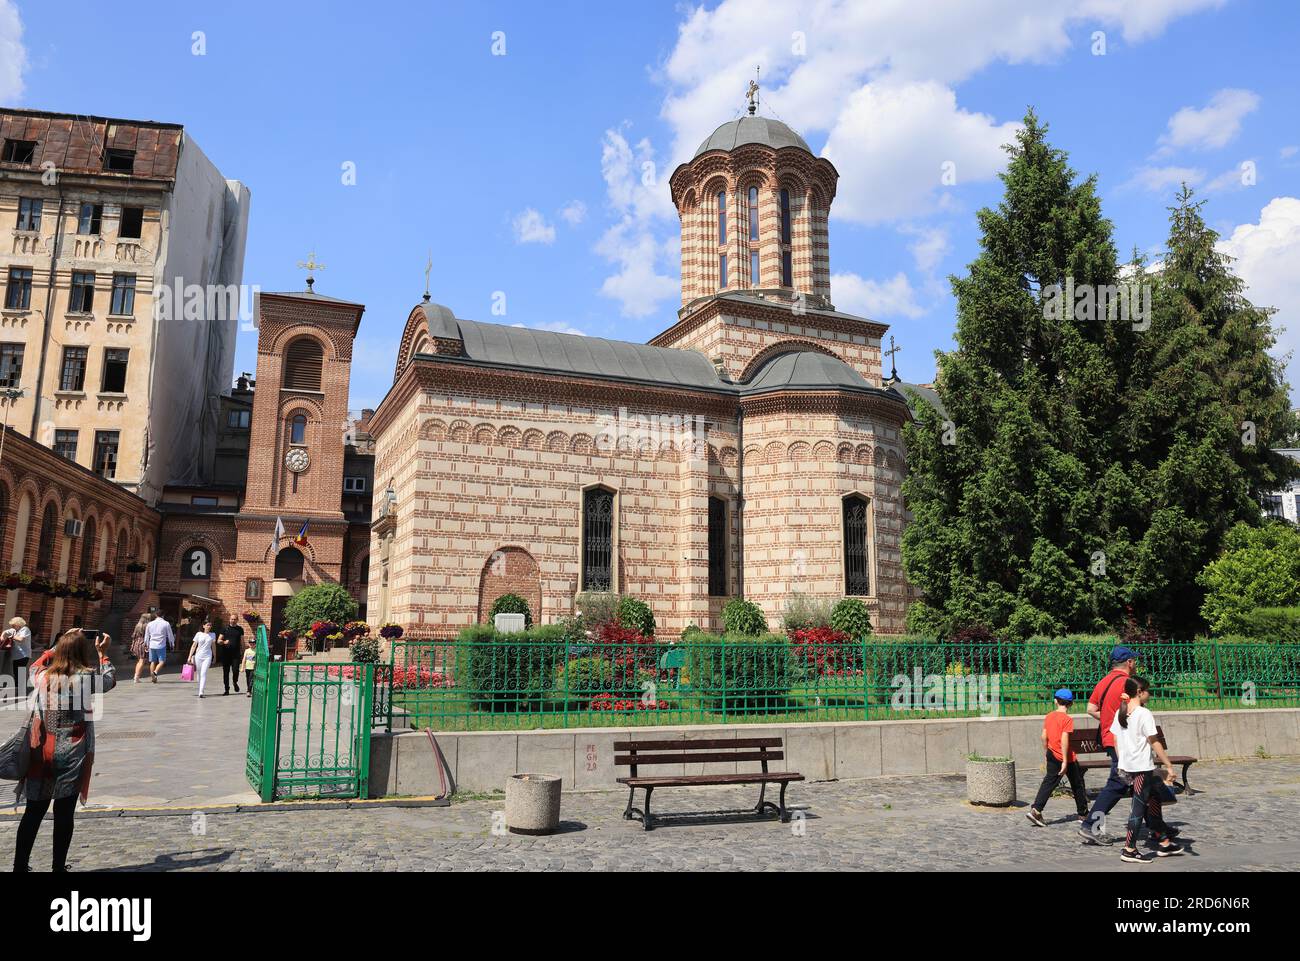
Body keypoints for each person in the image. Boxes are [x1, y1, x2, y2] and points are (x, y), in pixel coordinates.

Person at [12, 628, 115, 872]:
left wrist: (56, 647)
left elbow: (34, 665)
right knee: (64, 813)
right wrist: (103, 654)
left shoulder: (43, 676)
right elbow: (110, 679)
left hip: (41, 753)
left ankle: (19, 866)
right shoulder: (86, 677)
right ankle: (57, 867)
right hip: (72, 754)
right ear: (82, 652)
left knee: (33, 812)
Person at [1113, 676, 1183, 863]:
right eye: (1148, 691)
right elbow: (1154, 741)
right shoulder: (1144, 714)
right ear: (1139, 692)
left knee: (1154, 798)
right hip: (1141, 768)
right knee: (1138, 807)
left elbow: (1115, 741)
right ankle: (1129, 849)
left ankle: (1164, 842)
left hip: (1128, 767)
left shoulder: (1120, 711)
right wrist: (1168, 765)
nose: (1149, 694)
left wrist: (1123, 762)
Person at [1077, 646, 1140, 844]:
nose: (1136, 664)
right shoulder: (1127, 683)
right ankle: (1090, 826)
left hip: (1109, 738)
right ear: (1129, 662)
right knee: (1119, 783)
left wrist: (1108, 720)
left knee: (1136, 782)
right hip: (1122, 740)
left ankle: (1157, 826)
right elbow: (1134, 711)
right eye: (1135, 660)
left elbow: (1091, 708)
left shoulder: (1103, 682)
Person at [1026, 688, 1088, 827]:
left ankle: (1036, 809)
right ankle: (1083, 814)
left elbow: (1044, 736)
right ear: (1071, 704)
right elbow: (1064, 739)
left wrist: (1047, 751)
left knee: (1048, 782)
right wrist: (1065, 761)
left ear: (1055, 701)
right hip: (1067, 758)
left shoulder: (1049, 716)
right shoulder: (1067, 719)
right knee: (1077, 784)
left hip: (1052, 753)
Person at [215, 618, 246, 695]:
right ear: (229, 620)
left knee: (235, 670)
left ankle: (235, 682)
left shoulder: (240, 629)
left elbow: (242, 641)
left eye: (235, 619)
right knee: (226, 672)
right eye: (232, 619)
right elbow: (218, 641)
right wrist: (224, 641)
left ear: (237, 620)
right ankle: (226, 689)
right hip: (226, 654)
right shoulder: (225, 629)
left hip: (236, 654)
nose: (233, 620)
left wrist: (244, 651)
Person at [143, 611, 175, 683]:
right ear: (163, 615)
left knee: (152, 661)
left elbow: (147, 635)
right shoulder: (166, 623)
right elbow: (170, 635)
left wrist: (146, 644)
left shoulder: (150, 624)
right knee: (162, 661)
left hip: (152, 644)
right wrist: (172, 643)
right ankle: (155, 672)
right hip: (161, 645)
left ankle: (153, 676)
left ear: (156, 615)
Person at [187, 621, 216, 698]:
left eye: (210, 625)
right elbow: (194, 646)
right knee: (199, 673)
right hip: (198, 656)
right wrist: (189, 657)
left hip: (208, 656)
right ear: (203, 626)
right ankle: (200, 687)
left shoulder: (212, 635)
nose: (209, 626)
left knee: (203, 673)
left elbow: (213, 646)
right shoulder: (199, 634)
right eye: (207, 625)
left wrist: (215, 656)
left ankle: (201, 691)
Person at [4, 617, 32, 696]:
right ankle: (17, 691)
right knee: (16, 673)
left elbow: (20, 639)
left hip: (23, 655)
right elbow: (4, 632)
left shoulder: (25, 629)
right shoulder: (15, 630)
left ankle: (21, 692)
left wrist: (12, 637)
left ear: (18, 624)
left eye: (13, 625)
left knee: (20, 673)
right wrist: (3, 637)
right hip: (16, 655)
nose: (12, 627)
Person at [129, 613, 152, 683]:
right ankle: (136, 677)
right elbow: (149, 636)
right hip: (143, 645)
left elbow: (133, 636)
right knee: (142, 661)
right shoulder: (147, 626)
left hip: (137, 644)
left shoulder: (137, 626)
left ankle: (136, 676)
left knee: (139, 661)